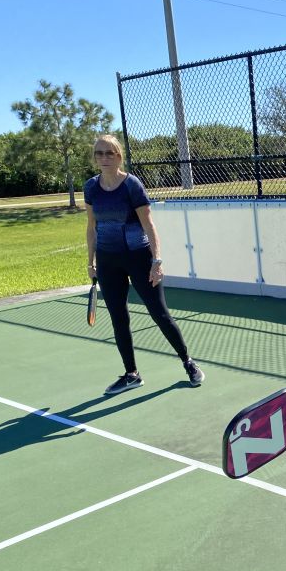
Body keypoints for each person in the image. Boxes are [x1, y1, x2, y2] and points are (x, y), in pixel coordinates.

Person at [84, 135, 204, 396]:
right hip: (107, 261)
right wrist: (90, 261)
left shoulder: (131, 185)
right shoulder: (91, 188)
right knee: (119, 318)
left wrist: (156, 261)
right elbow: (91, 227)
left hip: (139, 258)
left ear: (118, 156)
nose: (104, 158)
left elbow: (149, 226)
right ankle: (131, 374)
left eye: (109, 153)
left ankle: (188, 362)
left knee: (159, 314)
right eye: (99, 154)